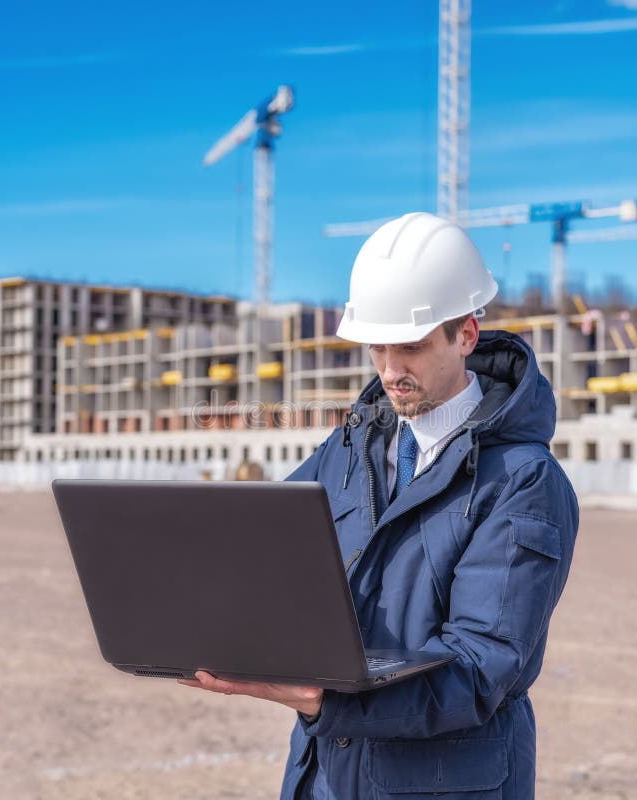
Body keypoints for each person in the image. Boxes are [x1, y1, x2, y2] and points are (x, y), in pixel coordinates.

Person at [180, 211, 579, 799]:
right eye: (377, 346)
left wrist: (326, 699)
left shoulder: (523, 480)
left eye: (412, 347)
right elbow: (256, 551)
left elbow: (481, 668)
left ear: (466, 334)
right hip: (327, 778)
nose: (391, 370)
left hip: (443, 786)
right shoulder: (346, 450)